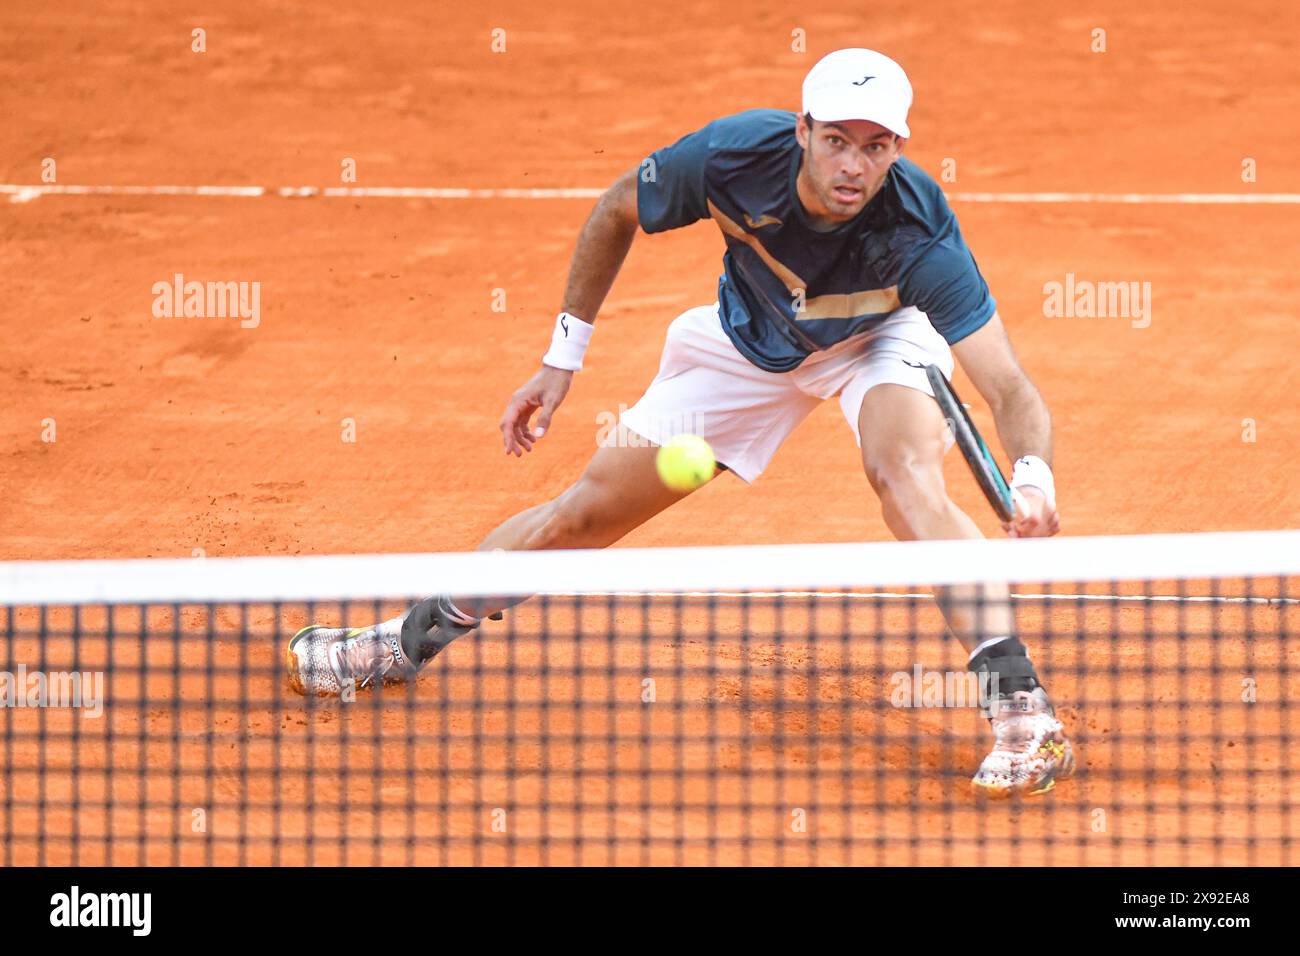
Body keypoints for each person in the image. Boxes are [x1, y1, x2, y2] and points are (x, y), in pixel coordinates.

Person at [286, 48, 1074, 798]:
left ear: (898, 147)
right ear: (802, 130)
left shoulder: (920, 233)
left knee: (902, 477)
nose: (852, 166)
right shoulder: (730, 159)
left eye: (874, 147)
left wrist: (1032, 475)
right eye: (835, 141)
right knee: (581, 518)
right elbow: (616, 207)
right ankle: (401, 643)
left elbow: (1007, 386)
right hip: (744, 349)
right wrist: (564, 358)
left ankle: (1022, 711)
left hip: (876, 341)